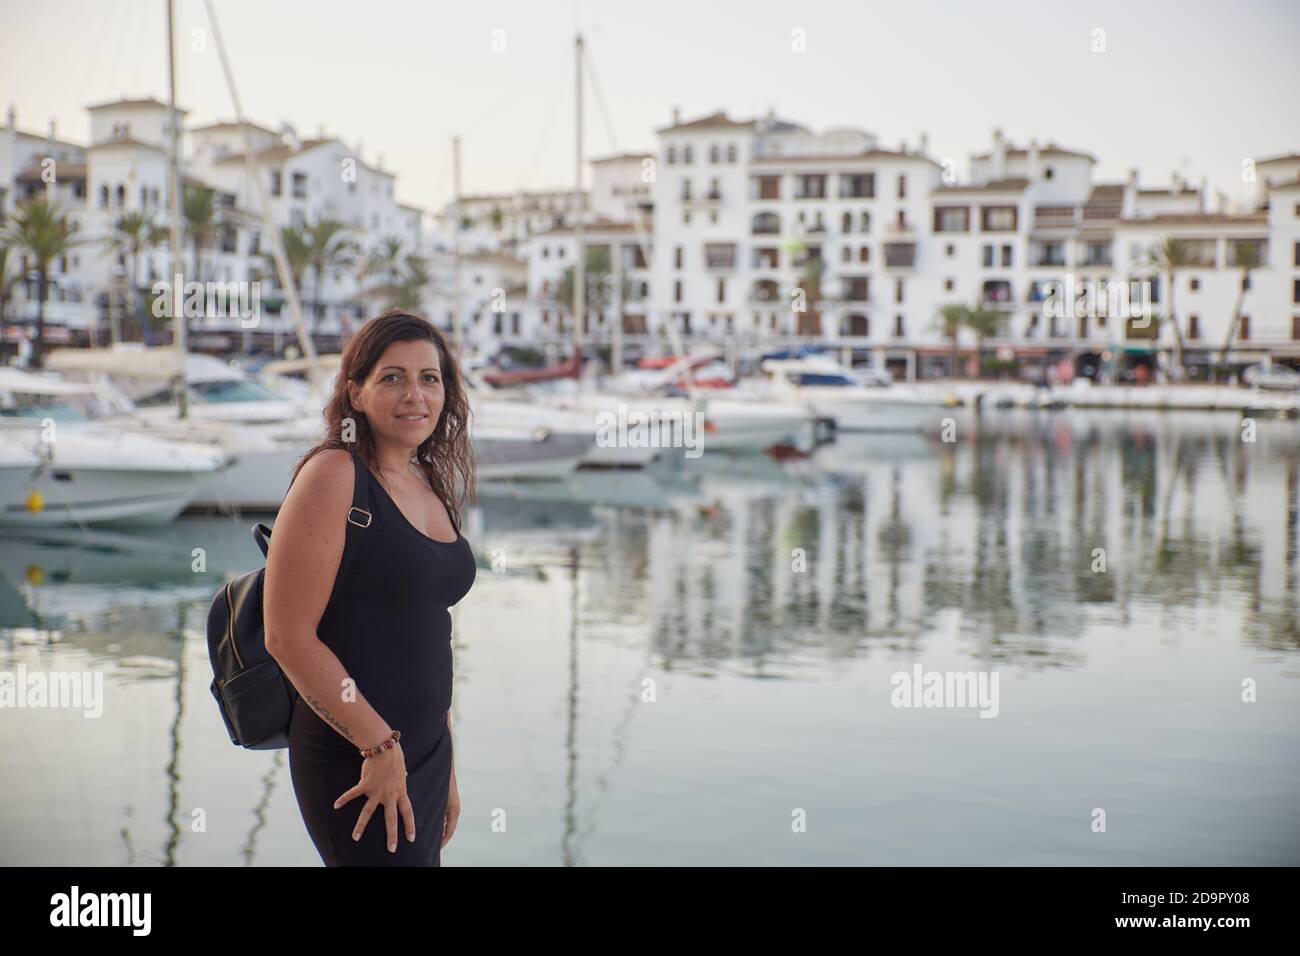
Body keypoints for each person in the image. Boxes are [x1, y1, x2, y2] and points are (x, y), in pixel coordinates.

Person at [264, 309, 477, 865]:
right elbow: (286, 635)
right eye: (392, 377)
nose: (415, 394)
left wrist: (446, 762)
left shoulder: (425, 480)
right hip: (356, 750)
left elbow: (428, 631)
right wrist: (378, 745)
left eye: (429, 378)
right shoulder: (334, 474)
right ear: (355, 393)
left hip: (421, 753)